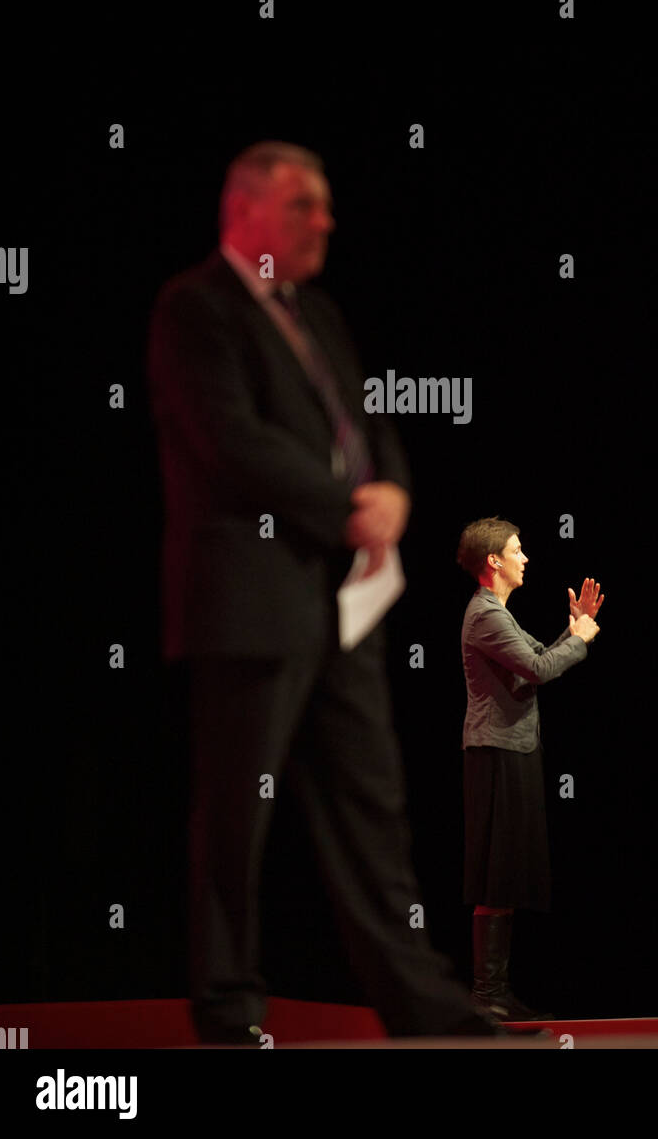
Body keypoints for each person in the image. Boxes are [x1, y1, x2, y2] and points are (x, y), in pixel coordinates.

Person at [147, 140, 499, 1042]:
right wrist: (347, 506)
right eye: (306, 204)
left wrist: (392, 491)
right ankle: (228, 1010)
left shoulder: (320, 315)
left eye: (325, 206)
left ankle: (423, 1010)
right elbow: (231, 441)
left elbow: (366, 422)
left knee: (369, 806)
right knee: (236, 814)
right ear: (247, 212)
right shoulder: (196, 307)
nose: (325, 223)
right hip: (250, 605)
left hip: (341, 605)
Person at [456, 516, 603, 1021]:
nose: (526, 558)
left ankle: (493, 990)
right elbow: (541, 669)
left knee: (509, 871)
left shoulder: (499, 612)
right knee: (497, 872)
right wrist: (580, 638)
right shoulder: (486, 614)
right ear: (494, 561)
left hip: (511, 748)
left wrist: (571, 627)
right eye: (518, 550)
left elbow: (537, 657)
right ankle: (485, 992)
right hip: (496, 750)